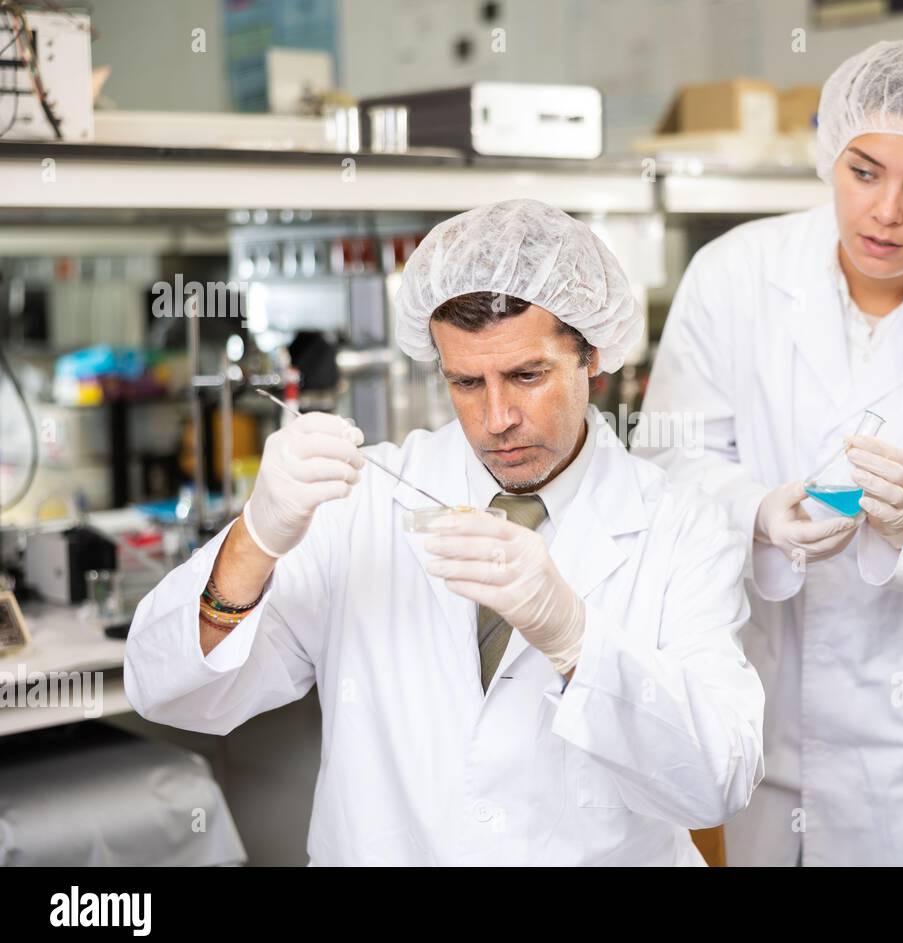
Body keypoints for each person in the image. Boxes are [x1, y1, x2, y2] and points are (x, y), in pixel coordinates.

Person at [125, 198, 765, 866]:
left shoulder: (683, 527)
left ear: (593, 356)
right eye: (465, 381)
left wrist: (578, 641)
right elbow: (171, 690)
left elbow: (718, 781)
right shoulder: (363, 501)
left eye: (526, 375)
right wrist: (258, 536)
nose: (496, 418)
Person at [633, 38, 903, 866]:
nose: (886, 211)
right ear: (830, 150)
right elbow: (668, 462)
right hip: (760, 724)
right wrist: (758, 513)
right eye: (864, 171)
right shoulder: (733, 275)